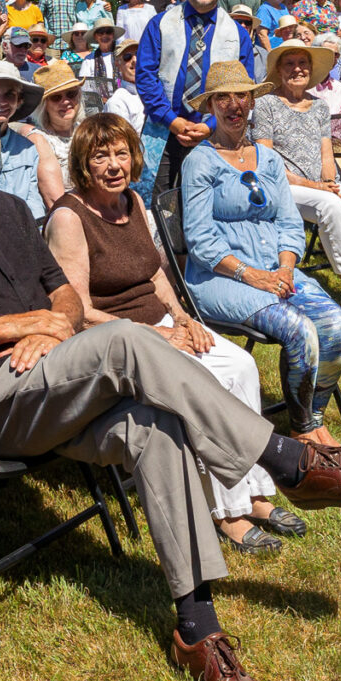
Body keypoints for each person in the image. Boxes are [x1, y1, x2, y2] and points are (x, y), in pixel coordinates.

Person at [0, 86, 341, 681]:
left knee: (158, 427)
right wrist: (18, 324)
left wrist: (55, 324)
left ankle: (197, 632)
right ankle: (289, 461)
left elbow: (65, 295)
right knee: (129, 339)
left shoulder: (9, 211)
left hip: (53, 381)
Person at [46, 113, 304, 556]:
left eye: (122, 153)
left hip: (160, 327)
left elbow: (157, 275)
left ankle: (256, 494)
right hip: (114, 342)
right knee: (210, 383)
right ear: (82, 164)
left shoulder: (134, 204)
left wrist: (183, 319)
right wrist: (155, 336)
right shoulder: (69, 219)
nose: (113, 165)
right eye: (100, 156)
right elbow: (79, 312)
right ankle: (228, 514)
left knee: (241, 366)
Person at [178, 59, 341, 443]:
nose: (234, 105)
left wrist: (284, 269)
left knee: (335, 326)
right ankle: (304, 431)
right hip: (219, 277)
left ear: (252, 103)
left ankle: (311, 415)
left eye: (242, 97)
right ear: (211, 106)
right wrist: (253, 276)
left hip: (275, 271)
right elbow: (200, 240)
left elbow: (289, 223)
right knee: (298, 330)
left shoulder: (268, 159)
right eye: (223, 98)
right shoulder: (199, 161)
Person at [253, 41, 341, 327]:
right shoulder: (266, 104)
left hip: (318, 184)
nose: (297, 69)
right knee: (332, 206)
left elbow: (326, 153)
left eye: (303, 63)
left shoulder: (318, 105)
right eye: (289, 63)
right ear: (278, 71)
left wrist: (329, 181)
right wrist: (318, 188)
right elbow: (267, 163)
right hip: (283, 186)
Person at [136, 0, 258, 194]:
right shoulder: (159, 24)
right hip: (164, 129)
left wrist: (211, 124)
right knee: (156, 203)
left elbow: (245, 88)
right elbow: (146, 76)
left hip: (216, 132)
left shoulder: (237, 34)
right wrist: (171, 120)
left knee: (214, 201)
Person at [0, 61, 62, 217]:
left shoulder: (27, 148)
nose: (2, 102)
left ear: (19, 100)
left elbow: (33, 203)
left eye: (10, 94)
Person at [26, 61, 83, 171]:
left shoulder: (87, 131)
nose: (66, 102)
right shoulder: (40, 140)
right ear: (44, 106)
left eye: (71, 94)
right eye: (56, 97)